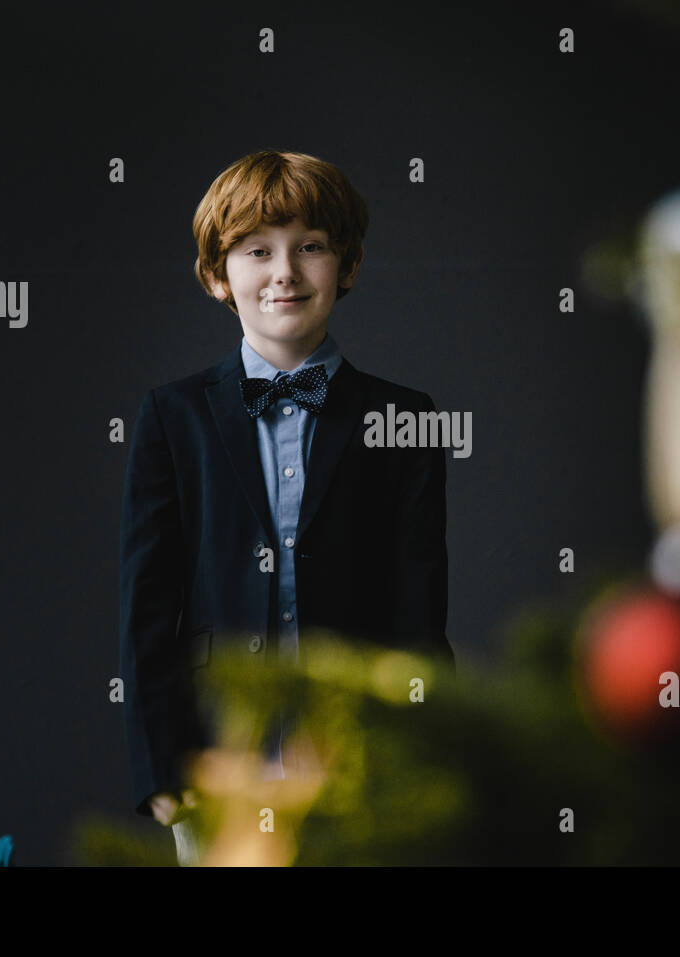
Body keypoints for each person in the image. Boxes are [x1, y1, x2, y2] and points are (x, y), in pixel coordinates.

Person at [118, 149, 456, 864]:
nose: (284, 273)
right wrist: (162, 772)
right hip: (217, 766)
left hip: (358, 766)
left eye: (311, 247)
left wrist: (422, 756)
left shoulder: (404, 418)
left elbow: (418, 612)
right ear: (217, 275)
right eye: (256, 250)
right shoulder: (170, 417)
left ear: (350, 265)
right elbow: (147, 609)